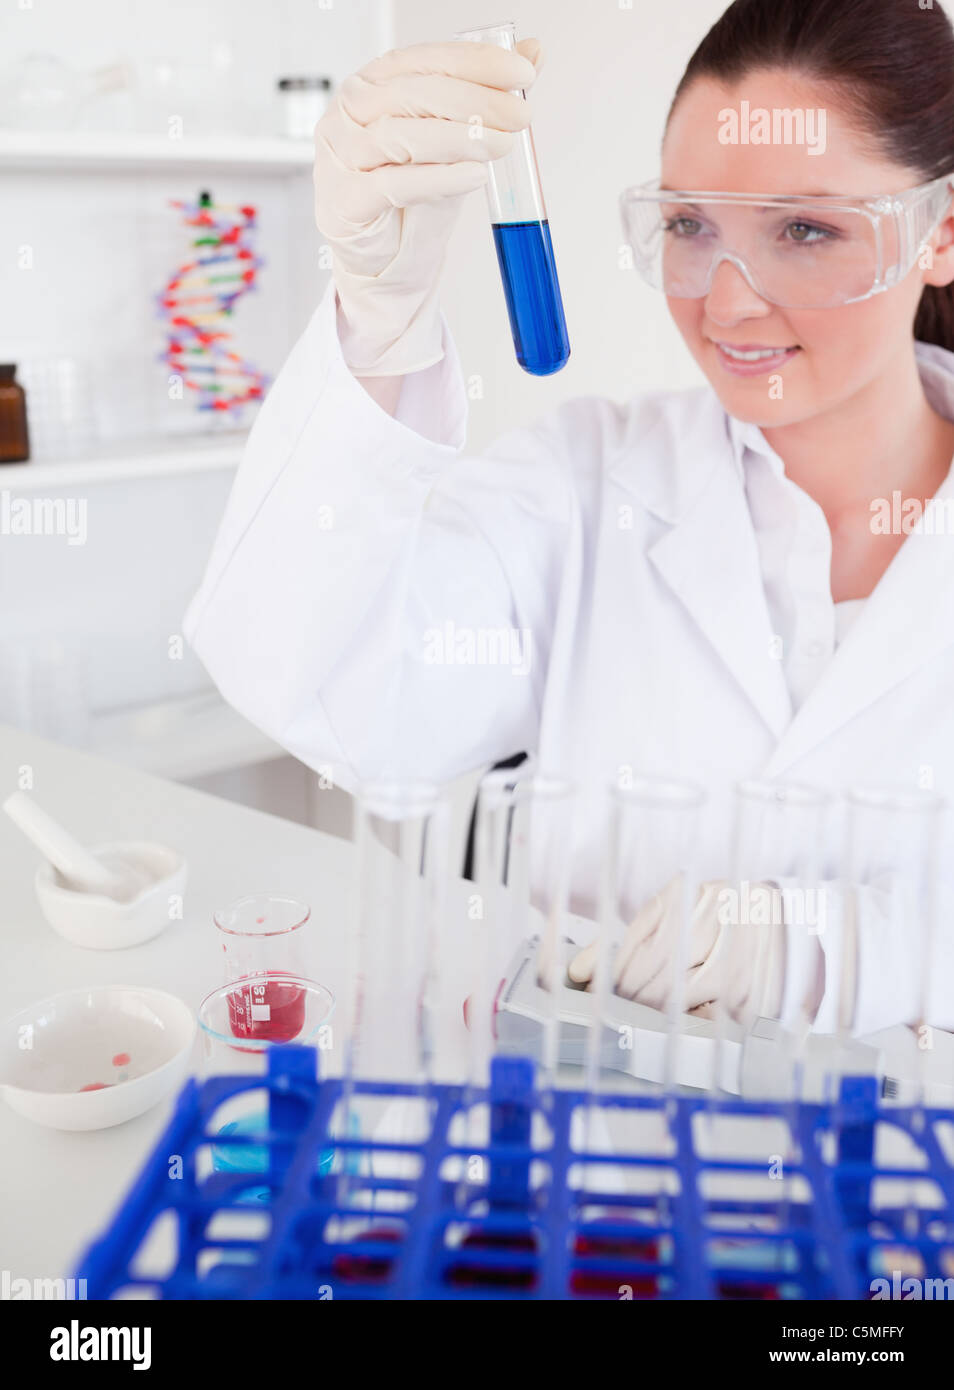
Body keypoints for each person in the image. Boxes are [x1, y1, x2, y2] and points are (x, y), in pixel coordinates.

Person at [185, 0, 954, 1036]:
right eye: (689, 226)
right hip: (594, 1160)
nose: (728, 305)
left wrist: (858, 959)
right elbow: (337, 697)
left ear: (940, 233)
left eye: (805, 229)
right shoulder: (590, 479)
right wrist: (379, 322)